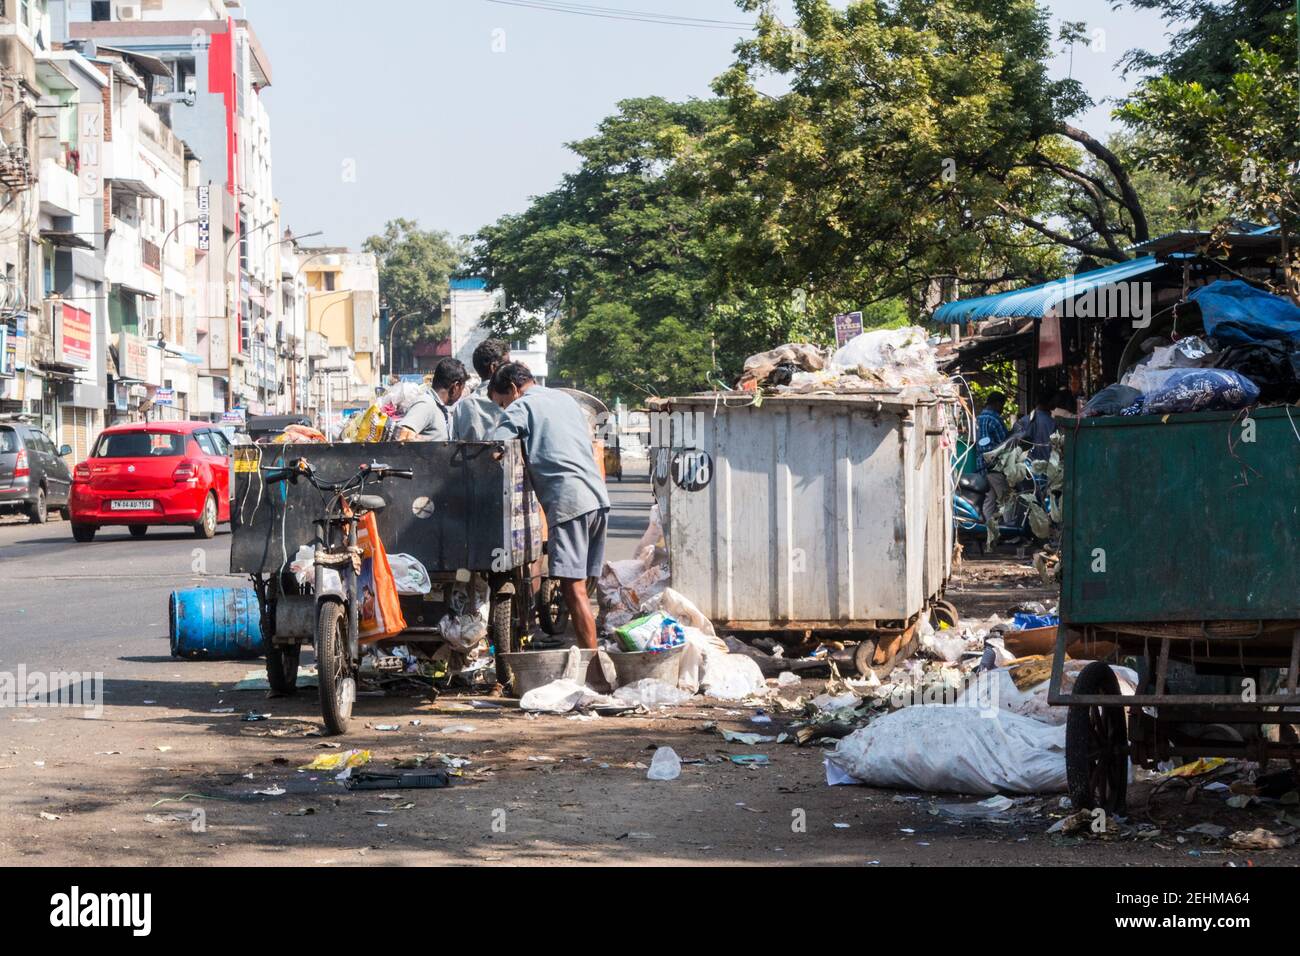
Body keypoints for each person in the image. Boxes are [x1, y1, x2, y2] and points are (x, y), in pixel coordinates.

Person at [488, 362, 609, 650]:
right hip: (597, 497)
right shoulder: (565, 399)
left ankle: (593, 668)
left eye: (502, 402)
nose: (505, 408)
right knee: (581, 585)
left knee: (574, 589)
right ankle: (590, 657)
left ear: (514, 390)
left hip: (569, 502)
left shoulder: (521, 407)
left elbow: (493, 449)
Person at [394, 358, 467, 441]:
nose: (461, 394)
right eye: (462, 389)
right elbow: (401, 435)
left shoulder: (439, 408)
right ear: (456, 387)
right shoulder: (426, 405)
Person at [452, 338, 510, 440]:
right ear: (494, 367)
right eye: (508, 364)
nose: (512, 368)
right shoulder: (510, 400)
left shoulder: (462, 406)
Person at [974, 392, 1010, 533]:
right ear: (997, 403)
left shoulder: (979, 418)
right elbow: (1005, 443)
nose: (1002, 409)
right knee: (1006, 498)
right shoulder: (995, 419)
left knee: (990, 498)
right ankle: (1010, 530)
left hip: (982, 465)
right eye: (1002, 405)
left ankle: (987, 531)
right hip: (996, 466)